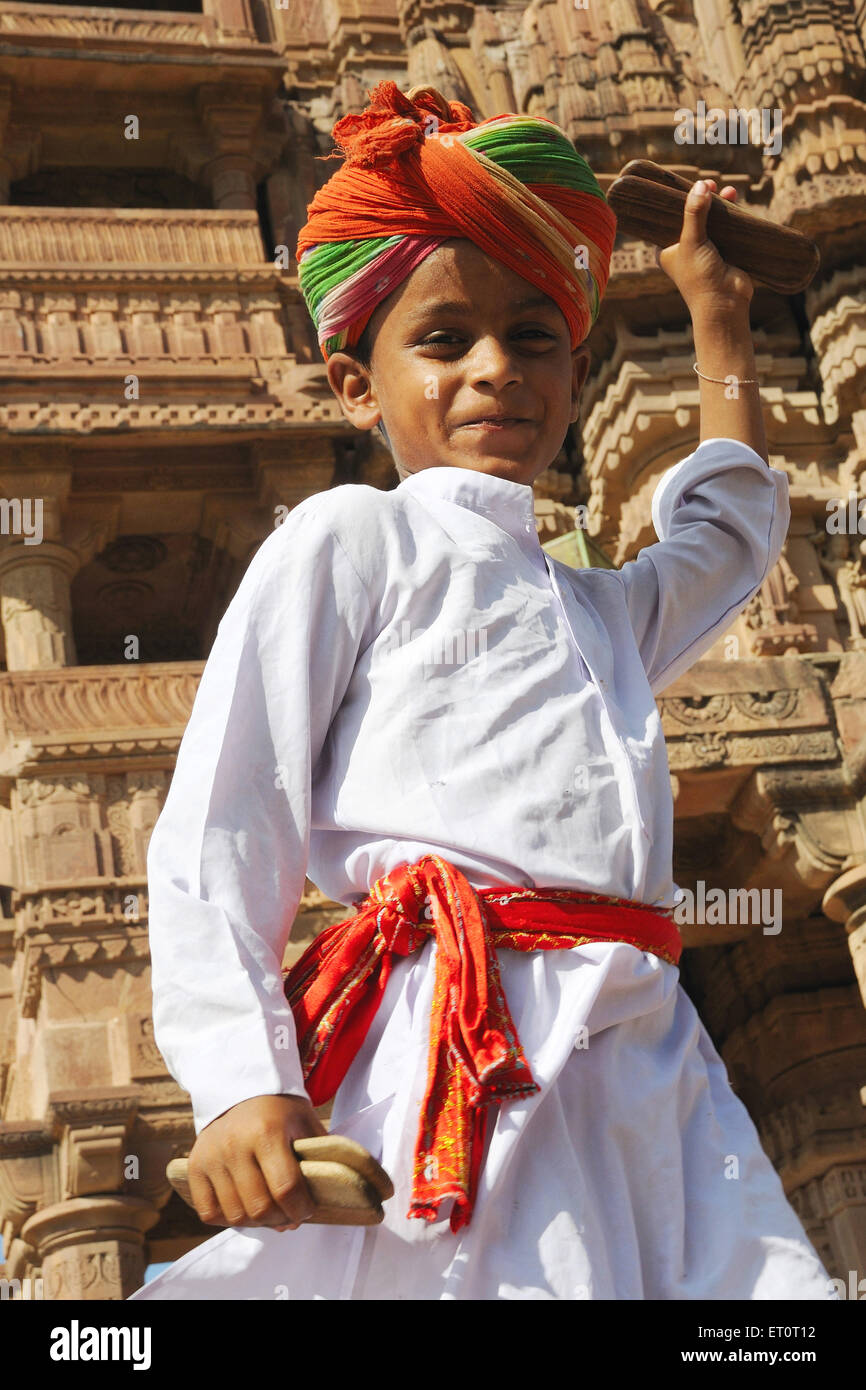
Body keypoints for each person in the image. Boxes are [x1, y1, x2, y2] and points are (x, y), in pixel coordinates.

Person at [129, 82, 836, 1300]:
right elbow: (221, 825)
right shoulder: (352, 538)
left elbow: (723, 536)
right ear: (355, 385)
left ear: (573, 365)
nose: (495, 370)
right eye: (443, 339)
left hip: (641, 1051)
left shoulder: (594, 609)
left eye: (535, 335)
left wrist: (715, 328)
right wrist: (246, 1081)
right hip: (458, 1034)